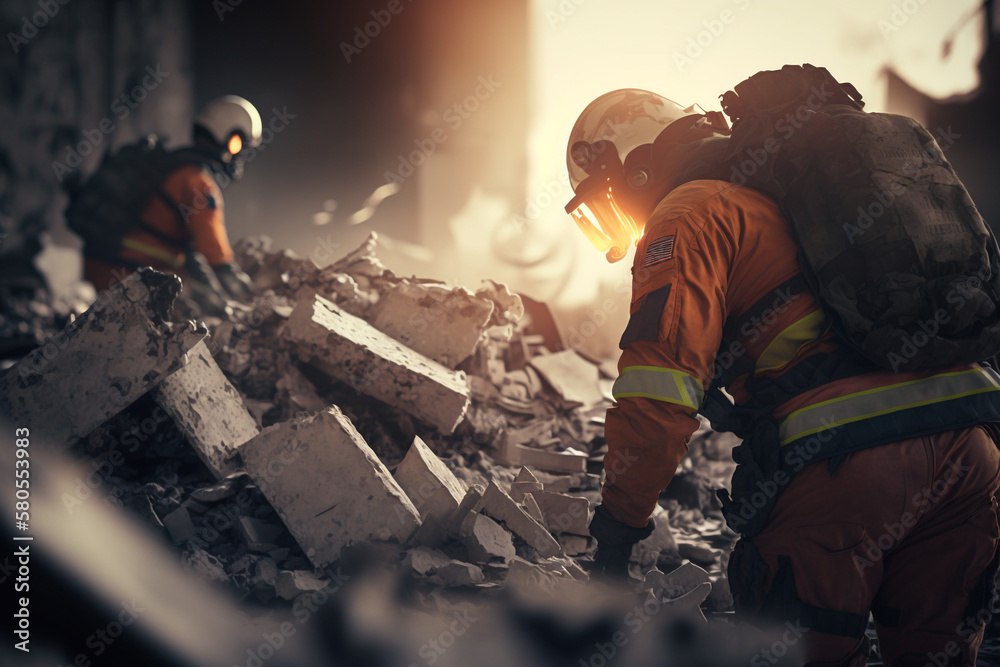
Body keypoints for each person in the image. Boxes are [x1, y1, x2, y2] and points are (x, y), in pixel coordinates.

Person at [566, 85, 1000, 665]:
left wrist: (618, 535)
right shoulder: (800, 190)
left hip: (846, 465)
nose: (617, 214)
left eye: (609, 197)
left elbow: (659, 390)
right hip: (972, 455)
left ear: (635, 168)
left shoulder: (688, 214)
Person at [71, 95, 261, 314]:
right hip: (127, 271)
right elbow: (213, 249)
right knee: (183, 323)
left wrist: (212, 294)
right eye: (242, 146)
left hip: (100, 263)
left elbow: (190, 255)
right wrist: (243, 290)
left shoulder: (173, 166)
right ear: (232, 140)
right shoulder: (199, 182)